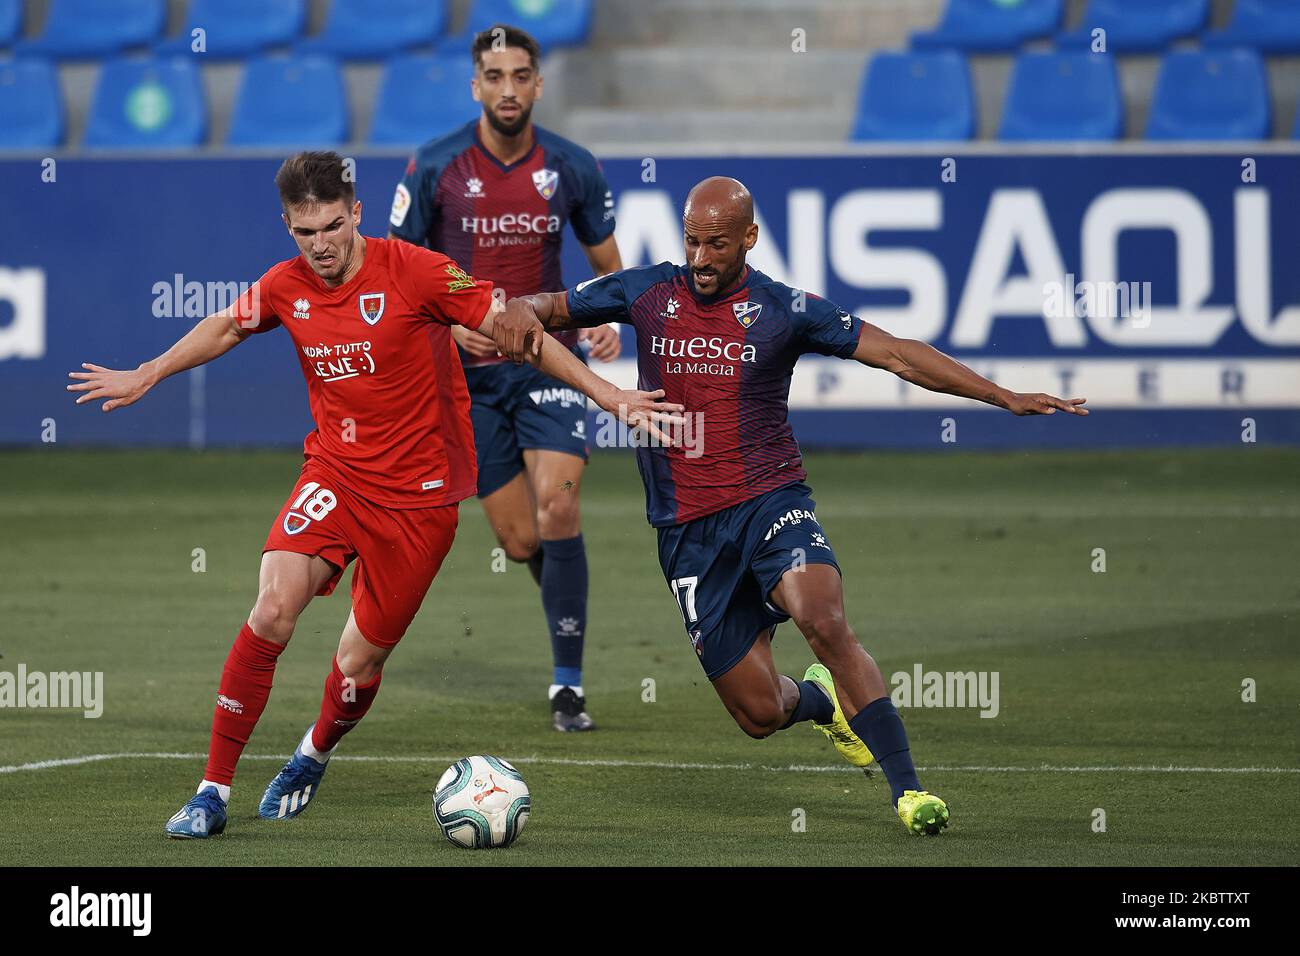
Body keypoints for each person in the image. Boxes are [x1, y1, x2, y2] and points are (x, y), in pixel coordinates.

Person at [66, 151, 680, 839]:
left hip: (420, 503)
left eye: (332, 226)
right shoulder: (286, 284)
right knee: (272, 607)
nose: (320, 245)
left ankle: (314, 750)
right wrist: (150, 372)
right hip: (334, 475)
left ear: (356, 213)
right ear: (287, 227)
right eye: (305, 233)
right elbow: (230, 325)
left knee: (358, 663)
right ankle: (211, 790)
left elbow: (520, 331)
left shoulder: (416, 272)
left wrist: (611, 395)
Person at [491, 176, 1090, 835]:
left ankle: (909, 791)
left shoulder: (786, 310)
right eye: (691, 241)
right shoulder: (645, 292)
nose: (700, 257)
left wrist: (1001, 395)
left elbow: (895, 354)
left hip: (769, 500)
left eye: (716, 244)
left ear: (749, 238)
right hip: (686, 531)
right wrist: (518, 310)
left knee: (822, 617)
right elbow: (543, 307)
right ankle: (818, 704)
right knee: (759, 715)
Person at [389, 25, 623, 732]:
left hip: (547, 362)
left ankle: (567, 685)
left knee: (559, 508)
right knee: (522, 542)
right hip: (469, 380)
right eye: (495, 76)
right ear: (476, 85)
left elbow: (610, 263)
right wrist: (445, 323)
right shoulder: (434, 167)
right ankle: (562, 606)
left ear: (539, 84)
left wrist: (608, 314)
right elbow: (397, 276)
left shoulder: (572, 167)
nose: (509, 89)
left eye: (521, 75)